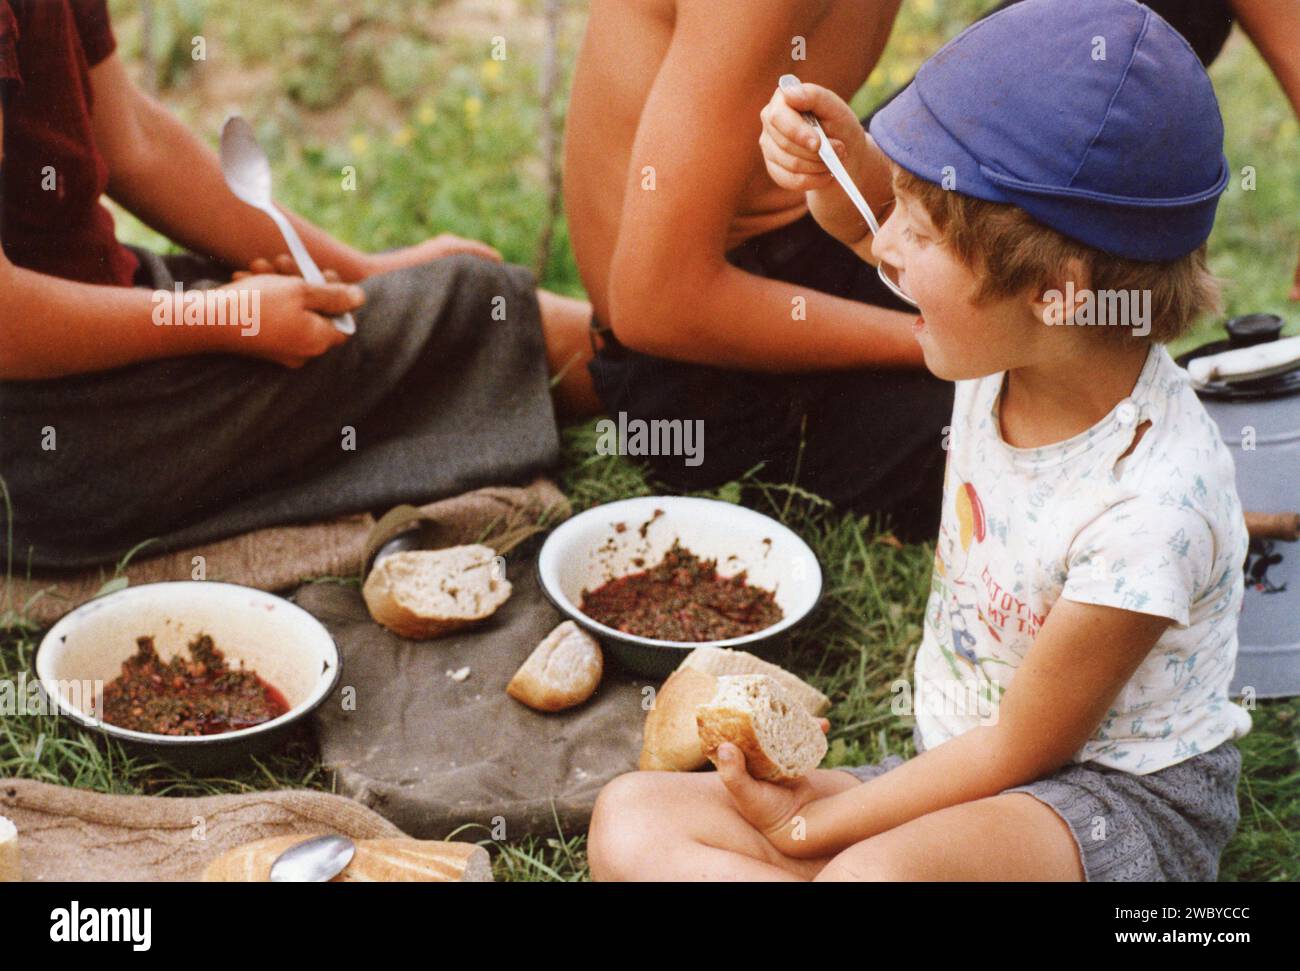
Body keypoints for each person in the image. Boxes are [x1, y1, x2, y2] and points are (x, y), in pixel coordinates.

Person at [588, 0, 1252, 881]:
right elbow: (873, 228)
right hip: (955, 774)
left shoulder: (1151, 507)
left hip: (1104, 804)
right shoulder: (1020, 336)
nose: (883, 250)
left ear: (1055, 292)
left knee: (869, 876)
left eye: (922, 229)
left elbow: (1024, 745)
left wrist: (806, 828)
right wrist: (834, 164)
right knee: (632, 818)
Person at [564, 0, 1298, 543]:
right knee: (1076, 469)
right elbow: (655, 305)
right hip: (699, 374)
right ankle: (563, 355)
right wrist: (954, 335)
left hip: (802, 245)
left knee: (1116, 26)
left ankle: (532, 337)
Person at [0, 0, 595, 571]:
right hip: (44, 429)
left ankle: (644, 368)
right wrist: (218, 320)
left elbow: (137, 147)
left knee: (410, 305)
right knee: (463, 306)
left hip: (108, 303)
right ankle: (653, 377)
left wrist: (368, 271)